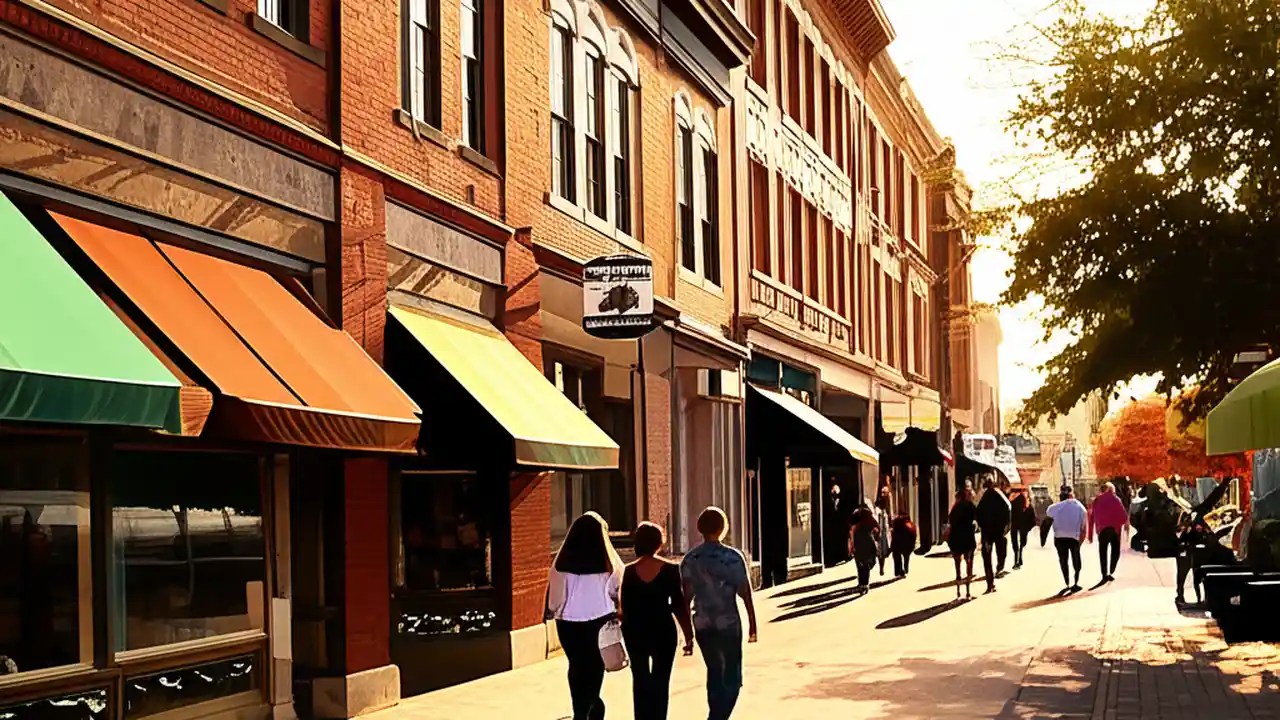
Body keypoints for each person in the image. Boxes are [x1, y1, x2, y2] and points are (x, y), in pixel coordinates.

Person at [681, 507, 758, 720]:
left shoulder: (690, 560)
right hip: (729, 624)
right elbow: (745, 592)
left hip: (703, 624)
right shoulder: (732, 557)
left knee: (714, 671)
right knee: (733, 677)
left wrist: (688, 634)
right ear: (723, 528)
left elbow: (685, 600)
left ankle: (715, 712)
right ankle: (718, 717)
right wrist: (752, 624)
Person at [547, 512, 623, 720]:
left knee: (576, 664)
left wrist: (554, 611)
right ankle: (592, 703)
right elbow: (618, 590)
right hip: (600, 619)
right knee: (595, 665)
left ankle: (580, 709)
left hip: (568, 621)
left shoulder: (561, 563)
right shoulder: (609, 563)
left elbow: (554, 598)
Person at [621, 522, 695, 720]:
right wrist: (689, 635)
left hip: (635, 632)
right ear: (659, 543)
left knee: (640, 680)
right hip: (663, 631)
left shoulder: (628, 572)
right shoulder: (671, 569)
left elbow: (625, 607)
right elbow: (679, 605)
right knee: (661, 680)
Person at [1046, 487, 1088, 592]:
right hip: (1074, 538)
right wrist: (1081, 542)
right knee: (1076, 560)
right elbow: (1083, 527)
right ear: (1071, 494)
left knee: (1063, 560)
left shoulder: (1054, 507)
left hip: (1059, 537)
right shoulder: (1080, 507)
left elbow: (1048, 513)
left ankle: (1067, 582)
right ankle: (1076, 582)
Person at [1088, 481, 1130, 583]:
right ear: (1112, 490)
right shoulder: (1116, 499)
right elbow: (1123, 515)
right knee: (1115, 551)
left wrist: (1090, 534)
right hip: (1114, 530)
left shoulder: (1096, 500)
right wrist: (1125, 525)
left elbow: (1090, 516)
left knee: (1103, 552)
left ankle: (1104, 574)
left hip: (1102, 530)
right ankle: (1112, 570)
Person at [976, 477, 1012, 593]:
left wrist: (982, 526)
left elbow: (978, 513)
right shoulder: (999, 494)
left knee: (987, 556)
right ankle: (999, 568)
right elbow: (1008, 509)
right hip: (998, 530)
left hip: (988, 531)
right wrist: (1006, 526)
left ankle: (990, 582)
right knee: (1000, 550)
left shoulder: (985, 497)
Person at [947, 483, 979, 599]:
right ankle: (968, 591)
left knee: (957, 564)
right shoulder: (971, 506)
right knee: (969, 562)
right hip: (967, 538)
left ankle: (958, 591)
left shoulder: (956, 507)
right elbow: (976, 519)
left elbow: (950, 520)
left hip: (956, 538)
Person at [849, 502, 880, 592]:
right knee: (867, 563)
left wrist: (851, 545)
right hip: (868, 541)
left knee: (859, 564)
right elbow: (877, 528)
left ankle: (861, 583)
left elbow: (851, 531)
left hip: (858, 542)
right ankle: (865, 583)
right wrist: (874, 534)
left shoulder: (855, 517)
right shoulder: (869, 517)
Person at [1010, 489, 1037, 569]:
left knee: (1017, 542)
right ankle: (1018, 558)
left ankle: (1017, 558)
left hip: (1016, 525)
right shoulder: (1026, 503)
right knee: (1021, 542)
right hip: (1021, 525)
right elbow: (1032, 518)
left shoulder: (1013, 501)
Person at [890, 507, 918, 577]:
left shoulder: (896, 522)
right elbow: (914, 535)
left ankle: (898, 572)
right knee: (906, 556)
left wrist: (892, 546)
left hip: (898, 543)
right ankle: (905, 568)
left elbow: (894, 534)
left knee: (897, 557)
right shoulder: (911, 524)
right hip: (908, 544)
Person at [875, 483, 893, 576]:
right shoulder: (877, 511)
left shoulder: (887, 510)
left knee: (884, 552)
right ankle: (881, 568)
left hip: (885, 533)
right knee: (880, 553)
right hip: (879, 534)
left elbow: (890, 518)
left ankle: (882, 567)